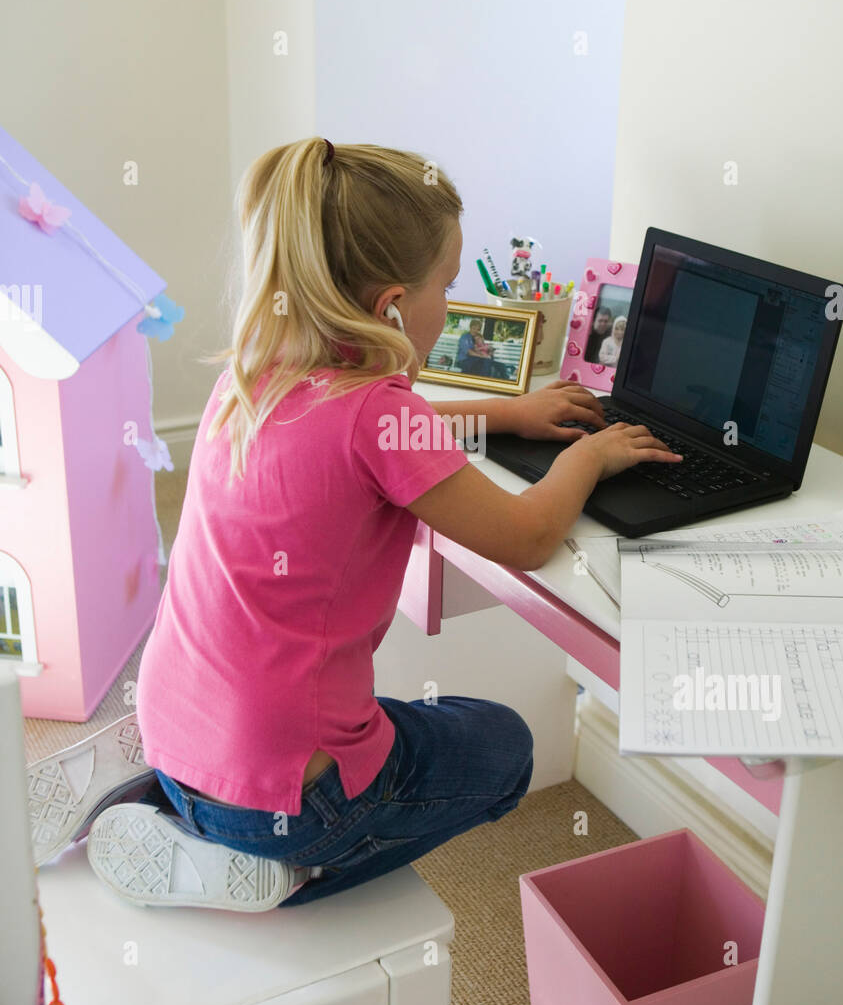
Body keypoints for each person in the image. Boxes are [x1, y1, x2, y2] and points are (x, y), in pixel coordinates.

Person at [31, 138, 679, 912]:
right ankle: (275, 871)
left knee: (433, 722)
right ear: (391, 307)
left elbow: (380, 438)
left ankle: (164, 785)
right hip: (282, 808)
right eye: (444, 284)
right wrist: (592, 457)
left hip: (183, 721)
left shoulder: (257, 369)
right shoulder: (379, 413)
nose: (450, 302)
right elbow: (528, 537)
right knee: (503, 746)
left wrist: (507, 413)